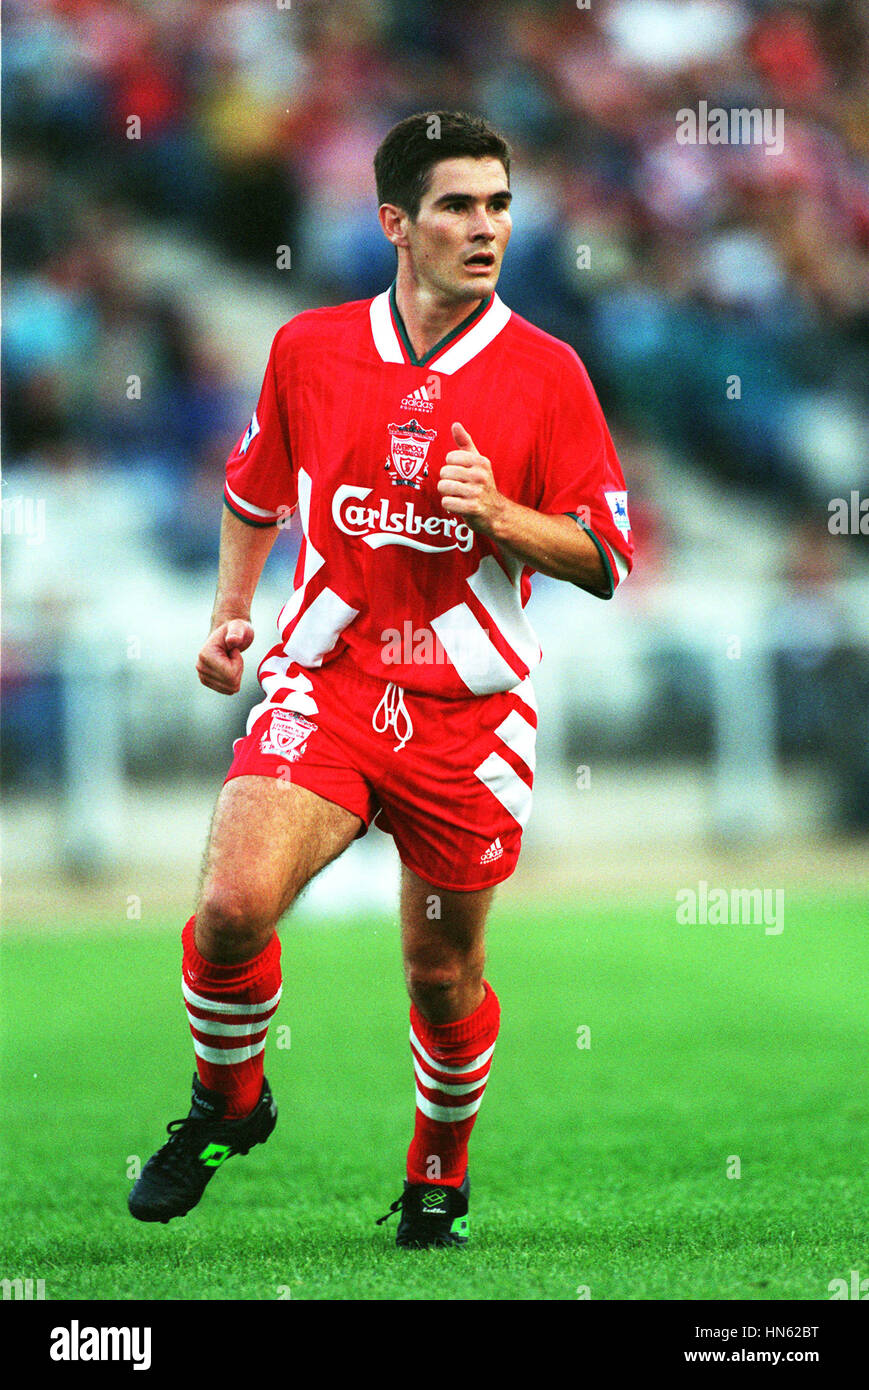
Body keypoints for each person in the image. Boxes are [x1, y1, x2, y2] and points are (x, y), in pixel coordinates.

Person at [128, 110, 634, 1248]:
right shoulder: (309, 348)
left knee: (440, 971)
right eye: (457, 205)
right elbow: (255, 491)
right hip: (332, 683)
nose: (485, 227)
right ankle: (230, 1101)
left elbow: (606, 559)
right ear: (392, 222)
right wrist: (228, 612)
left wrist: (501, 515)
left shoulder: (547, 373)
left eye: (500, 205)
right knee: (229, 907)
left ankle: (435, 1177)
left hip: (469, 718)